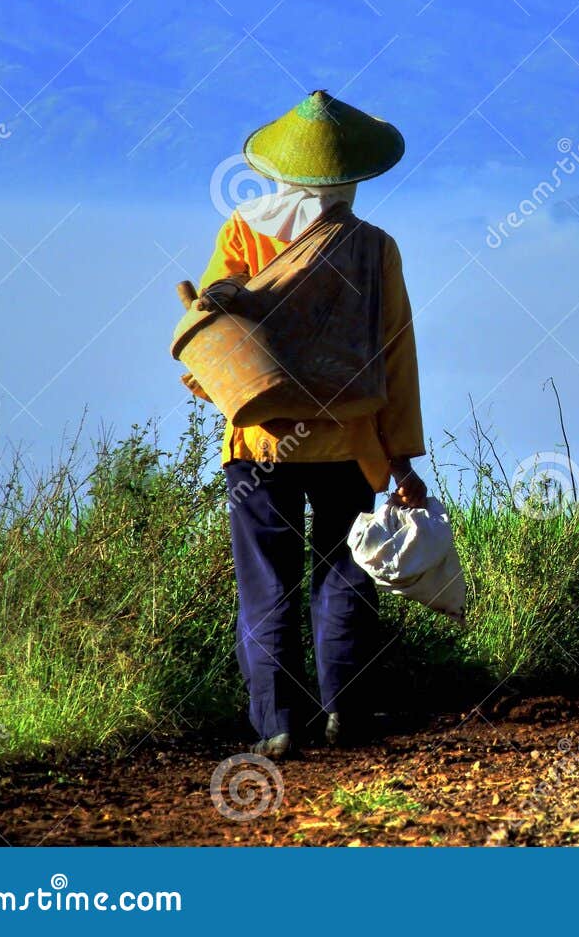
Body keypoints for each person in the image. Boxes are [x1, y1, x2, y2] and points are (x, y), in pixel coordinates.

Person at [187, 90, 427, 759]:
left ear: (281, 172)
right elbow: (396, 353)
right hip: (349, 439)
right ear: (350, 177)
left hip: (261, 442)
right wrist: (401, 457)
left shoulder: (242, 233)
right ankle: (345, 709)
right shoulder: (374, 247)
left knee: (267, 581)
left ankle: (278, 723)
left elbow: (212, 331)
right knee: (345, 573)